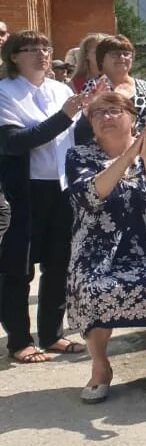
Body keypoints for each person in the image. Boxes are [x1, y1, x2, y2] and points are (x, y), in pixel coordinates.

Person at [66, 93, 146, 403]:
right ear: (91, 125)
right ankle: (100, 367)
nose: (106, 117)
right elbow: (92, 196)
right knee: (91, 286)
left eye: (114, 111)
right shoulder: (79, 155)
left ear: (132, 119)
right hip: (98, 249)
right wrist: (126, 156)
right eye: (98, 114)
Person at [0, 31, 83, 364]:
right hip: (25, 191)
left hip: (61, 188)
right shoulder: (6, 92)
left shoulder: (60, 90)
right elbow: (16, 142)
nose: (41, 54)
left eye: (46, 48)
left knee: (59, 265)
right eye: (31, 49)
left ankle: (52, 334)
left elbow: (76, 137)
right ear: (14, 56)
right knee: (18, 270)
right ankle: (19, 341)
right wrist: (64, 115)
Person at [75, 35, 146, 146]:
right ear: (101, 60)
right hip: (110, 158)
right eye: (114, 54)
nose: (122, 57)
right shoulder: (93, 87)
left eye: (126, 53)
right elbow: (83, 127)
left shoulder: (144, 86)